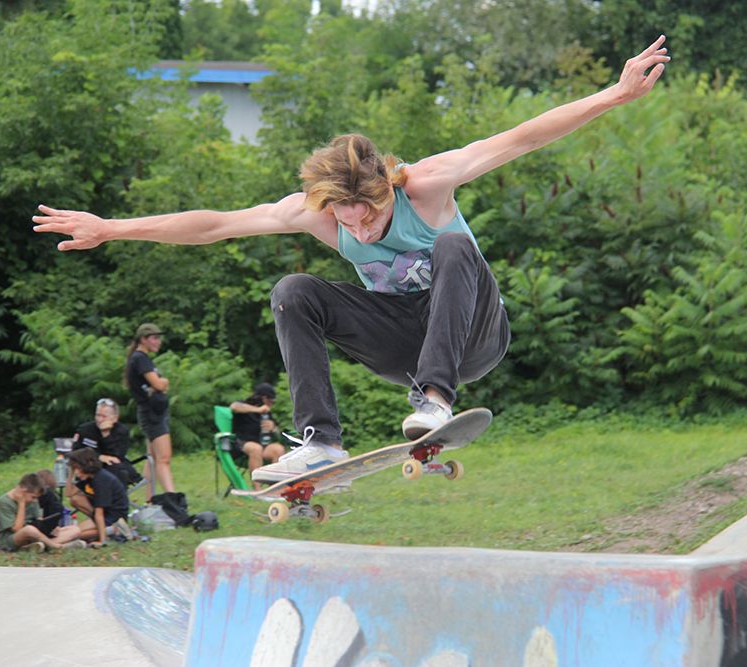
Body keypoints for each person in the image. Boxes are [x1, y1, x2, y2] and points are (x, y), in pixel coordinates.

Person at [33, 37, 669, 485]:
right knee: (294, 290)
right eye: (347, 219)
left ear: (388, 186)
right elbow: (217, 225)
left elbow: (523, 137)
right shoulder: (317, 212)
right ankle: (321, 442)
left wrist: (614, 96)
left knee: (452, 245)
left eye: (370, 214)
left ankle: (437, 399)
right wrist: (112, 228)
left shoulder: (427, 183)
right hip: (401, 343)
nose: (359, 228)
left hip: (475, 334)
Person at [124, 323, 175, 498]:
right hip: (152, 415)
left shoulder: (140, 358)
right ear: (143, 339)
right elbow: (159, 384)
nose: (158, 342)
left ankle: (149, 499)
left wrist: (159, 386)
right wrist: (164, 382)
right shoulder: (140, 359)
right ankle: (173, 498)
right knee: (164, 458)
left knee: (152, 458)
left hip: (153, 413)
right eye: (154, 338)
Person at [0, 473, 84, 552]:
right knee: (29, 530)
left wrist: (51, 529)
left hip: (34, 534)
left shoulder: (33, 500)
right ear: (23, 490)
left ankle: (34, 546)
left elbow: (39, 519)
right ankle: (56, 546)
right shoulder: (4, 502)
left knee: (75, 530)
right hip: (11, 538)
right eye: (33, 497)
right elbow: (17, 529)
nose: (35, 500)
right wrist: (21, 503)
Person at [67, 448, 132, 547]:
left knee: (75, 533)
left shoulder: (101, 480)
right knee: (75, 499)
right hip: (104, 514)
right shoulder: (88, 477)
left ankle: (113, 530)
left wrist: (102, 541)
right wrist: (71, 472)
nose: (76, 472)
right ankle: (109, 530)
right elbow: (69, 493)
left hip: (114, 517)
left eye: (77, 468)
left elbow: (99, 514)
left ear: (87, 465)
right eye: (74, 468)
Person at [72, 398, 142, 487]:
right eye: (98, 415)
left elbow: (116, 456)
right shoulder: (85, 430)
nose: (99, 419)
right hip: (88, 467)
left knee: (115, 467)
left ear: (115, 418)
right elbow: (75, 451)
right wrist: (99, 457)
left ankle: (115, 494)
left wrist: (106, 434)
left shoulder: (121, 432)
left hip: (113, 469)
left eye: (104, 416)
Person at [230, 382, 286, 488]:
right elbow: (234, 407)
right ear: (263, 398)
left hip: (262, 444)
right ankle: (257, 489)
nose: (271, 404)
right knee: (256, 449)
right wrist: (258, 410)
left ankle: (275, 487)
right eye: (271, 401)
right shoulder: (244, 405)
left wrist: (273, 428)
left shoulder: (267, 413)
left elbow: (278, 434)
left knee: (278, 449)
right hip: (242, 444)